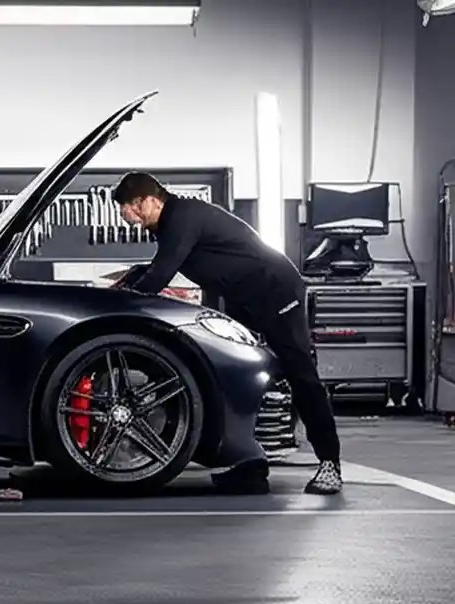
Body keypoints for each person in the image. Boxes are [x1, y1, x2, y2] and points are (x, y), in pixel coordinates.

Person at [109, 171, 342, 495]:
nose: (128, 219)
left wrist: (119, 301)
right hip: (241, 302)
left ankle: (330, 464)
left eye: (130, 210)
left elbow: (160, 275)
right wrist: (128, 280)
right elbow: (157, 268)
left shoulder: (183, 216)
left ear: (148, 200)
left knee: (300, 373)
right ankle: (249, 464)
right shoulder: (168, 227)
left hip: (276, 292)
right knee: (231, 376)